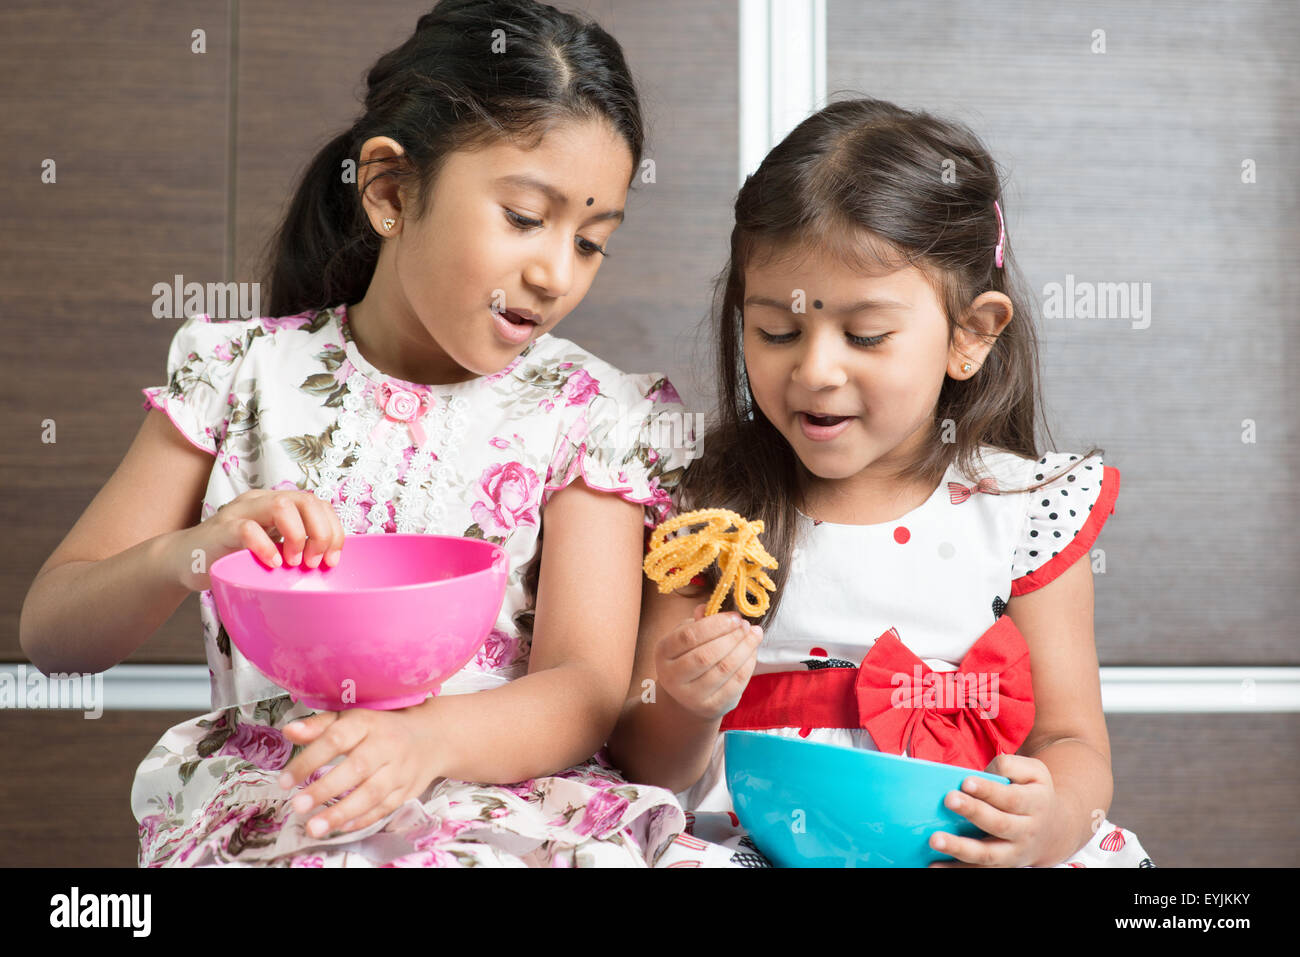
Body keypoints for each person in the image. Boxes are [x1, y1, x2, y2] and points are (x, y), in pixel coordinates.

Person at [21, 0, 699, 867]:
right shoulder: (240, 375)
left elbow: (585, 688)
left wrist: (427, 742)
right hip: (290, 804)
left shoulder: (590, 414)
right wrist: (196, 550)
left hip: (511, 813)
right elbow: (54, 632)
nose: (555, 272)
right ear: (389, 191)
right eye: (526, 218)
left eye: (592, 241)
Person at [609, 97, 1155, 868]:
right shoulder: (710, 512)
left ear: (971, 334)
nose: (815, 369)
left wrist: (1051, 818)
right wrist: (687, 701)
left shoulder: (1022, 512)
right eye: (776, 330)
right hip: (764, 844)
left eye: (865, 335)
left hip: (958, 844)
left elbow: (1072, 741)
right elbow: (648, 765)